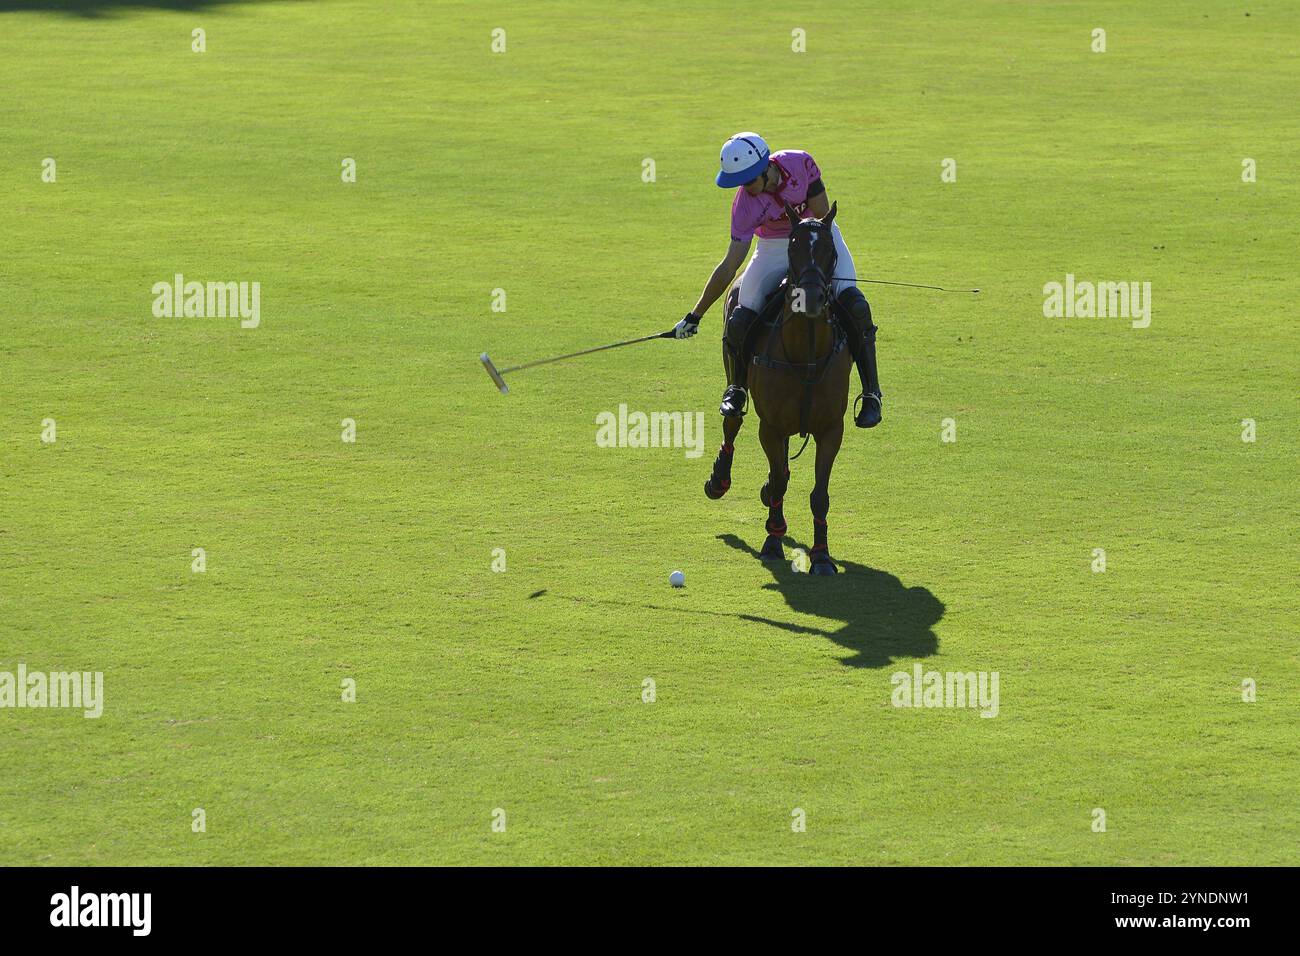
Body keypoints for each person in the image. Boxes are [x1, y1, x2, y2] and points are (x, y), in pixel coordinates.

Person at [674, 132, 881, 428]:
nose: (745, 189)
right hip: (772, 247)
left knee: (854, 302)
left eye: (747, 181)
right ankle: (737, 388)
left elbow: (822, 215)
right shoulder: (744, 206)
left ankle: (871, 393)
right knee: (740, 316)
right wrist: (695, 315)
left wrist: (811, 261)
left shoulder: (799, 163)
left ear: (763, 168)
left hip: (816, 235)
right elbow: (731, 263)